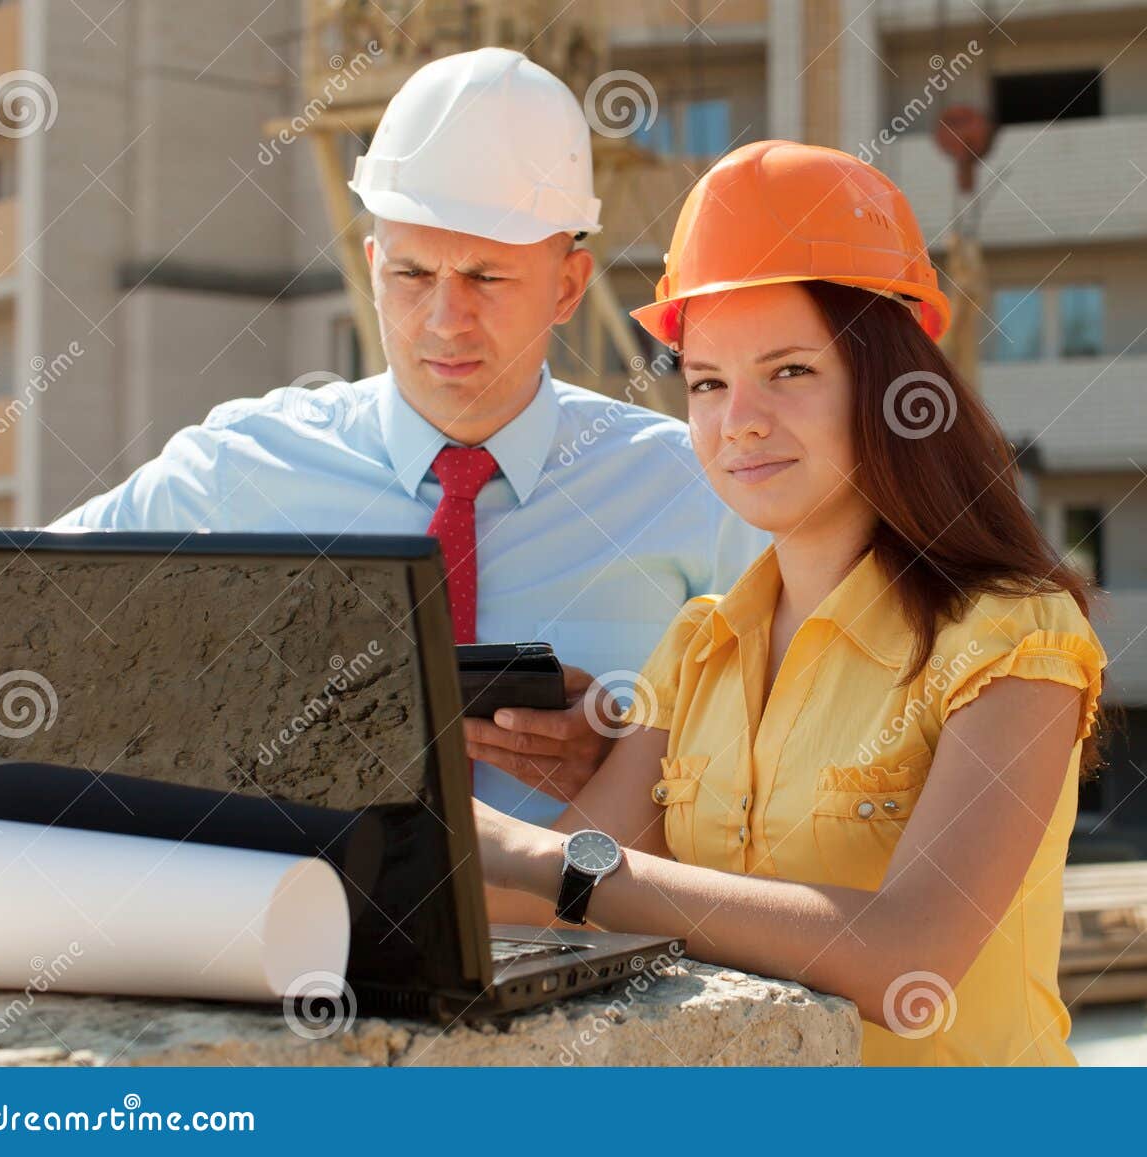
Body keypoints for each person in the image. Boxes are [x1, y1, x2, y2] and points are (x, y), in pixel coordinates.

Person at [472, 140, 1110, 1066]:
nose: (740, 422)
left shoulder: (1010, 638)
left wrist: (556, 865)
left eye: (790, 372)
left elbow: (910, 962)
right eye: (707, 383)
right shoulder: (699, 649)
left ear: (893, 384)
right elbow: (543, 898)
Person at [46, 48, 763, 826]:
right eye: (413, 276)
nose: (446, 321)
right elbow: (18, 613)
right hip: (299, 936)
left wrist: (640, 759)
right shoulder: (238, 467)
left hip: (583, 938)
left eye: (487, 278)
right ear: (370, 265)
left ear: (566, 287)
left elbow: (810, 745)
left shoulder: (697, 487)